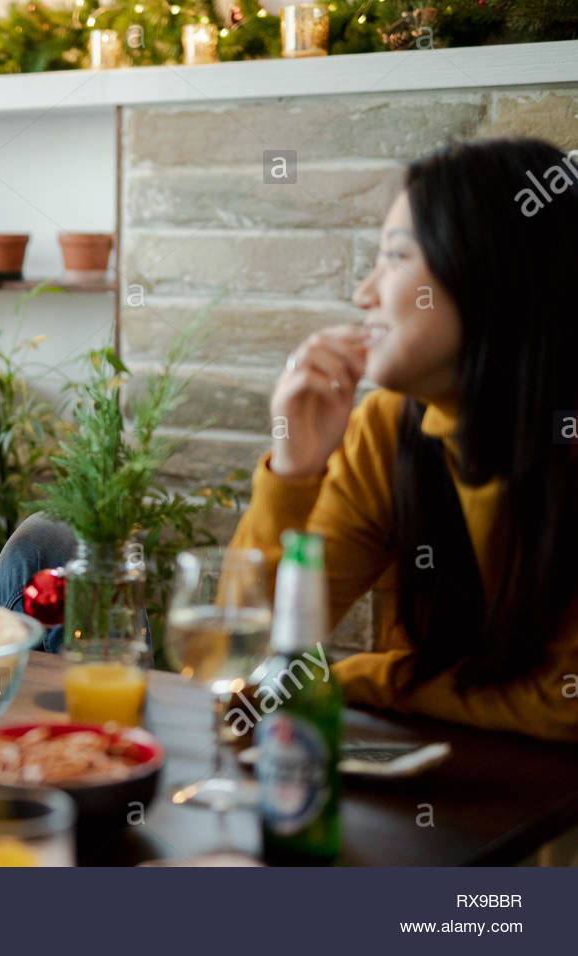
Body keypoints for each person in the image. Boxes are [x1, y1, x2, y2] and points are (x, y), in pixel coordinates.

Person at [228, 137, 578, 742]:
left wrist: (361, 679)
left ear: (487, 272)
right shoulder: (387, 429)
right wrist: (295, 467)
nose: (365, 294)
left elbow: (566, 703)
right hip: (449, 800)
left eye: (395, 258)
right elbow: (250, 652)